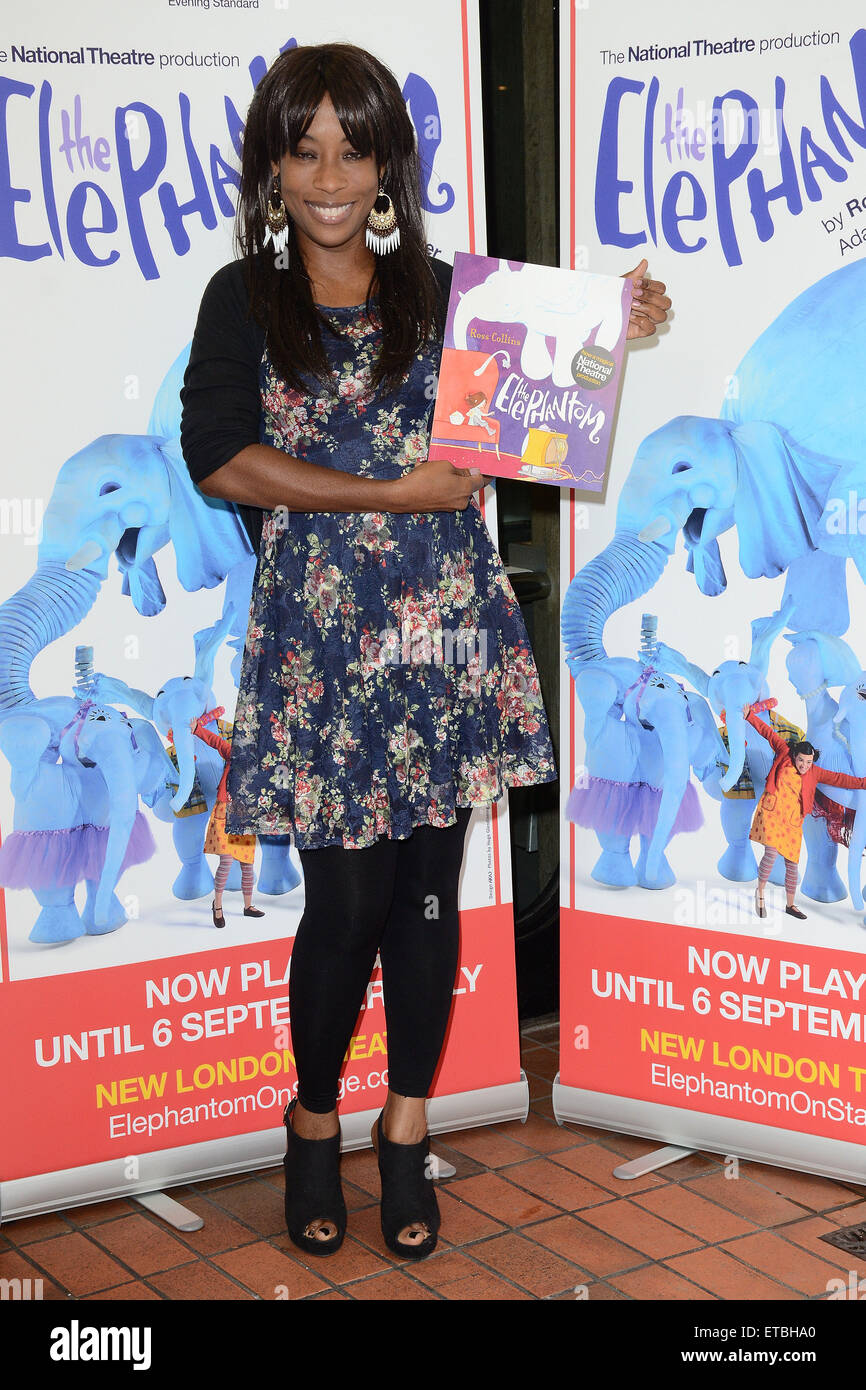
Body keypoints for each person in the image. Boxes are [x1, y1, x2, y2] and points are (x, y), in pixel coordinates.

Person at [180, 41, 671, 1262]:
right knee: (341, 899)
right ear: (273, 167)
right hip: (322, 651)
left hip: (443, 631)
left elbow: (556, 376)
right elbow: (221, 456)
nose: (330, 176)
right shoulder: (242, 297)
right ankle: (309, 1125)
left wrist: (619, 320)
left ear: (388, 161)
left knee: (429, 892)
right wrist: (389, 496)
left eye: (352, 147)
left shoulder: (451, 293)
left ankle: (403, 1132)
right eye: (305, 149)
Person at [744, 704, 866, 919]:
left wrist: (863, 783)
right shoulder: (784, 753)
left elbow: (839, 778)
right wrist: (749, 716)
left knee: (792, 863)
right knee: (771, 854)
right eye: (801, 760)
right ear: (795, 755)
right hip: (773, 812)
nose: (804, 765)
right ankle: (760, 892)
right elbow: (768, 733)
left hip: (792, 820)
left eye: (808, 762)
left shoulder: (814, 772)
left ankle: (790, 905)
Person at [188, 713, 265, 927]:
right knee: (226, 861)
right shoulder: (233, 752)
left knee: (247, 864)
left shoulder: (261, 765)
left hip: (245, 816)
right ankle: (218, 905)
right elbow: (216, 741)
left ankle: (248, 906)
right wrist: (197, 730)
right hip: (225, 811)